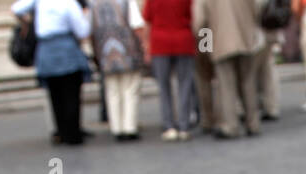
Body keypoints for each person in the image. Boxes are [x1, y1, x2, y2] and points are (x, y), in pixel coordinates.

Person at [12, 0, 94, 145]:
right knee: (71, 93)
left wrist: (27, 20)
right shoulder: (69, 3)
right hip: (66, 49)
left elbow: (16, 8)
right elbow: (82, 31)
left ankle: (61, 131)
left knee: (55, 95)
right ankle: (73, 133)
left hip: (46, 51)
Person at [194, 0, 263, 137]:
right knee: (248, 82)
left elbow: (200, 21)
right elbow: (258, 7)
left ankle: (230, 125)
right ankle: (253, 123)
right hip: (246, 38)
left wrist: (204, 46)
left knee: (226, 86)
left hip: (221, 40)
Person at [91, 0, 147, 140]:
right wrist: (144, 45)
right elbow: (137, 25)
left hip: (105, 52)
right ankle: (129, 127)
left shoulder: (93, 3)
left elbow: (89, 29)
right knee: (130, 89)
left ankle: (117, 127)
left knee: (112, 91)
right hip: (127, 51)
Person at [144, 0, 198, 140]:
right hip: (183, 40)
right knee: (185, 85)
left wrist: (146, 47)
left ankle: (169, 126)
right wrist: (203, 45)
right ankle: (184, 125)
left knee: (163, 86)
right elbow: (194, 17)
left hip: (160, 42)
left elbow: (147, 20)